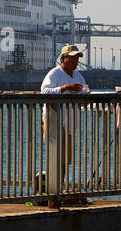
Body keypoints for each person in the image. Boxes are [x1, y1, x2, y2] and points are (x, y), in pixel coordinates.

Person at [38, 44, 91, 203]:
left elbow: (84, 91)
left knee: (65, 159)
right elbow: (44, 91)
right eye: (72, 58)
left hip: (69, 123)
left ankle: (57, 189)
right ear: (63, 59)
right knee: (55, 157)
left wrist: (83, 92)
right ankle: (51, 192)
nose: (75, 61)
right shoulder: (54, 74)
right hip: (54, 120)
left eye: (77, 58)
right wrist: (65, 88)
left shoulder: (78, 76)